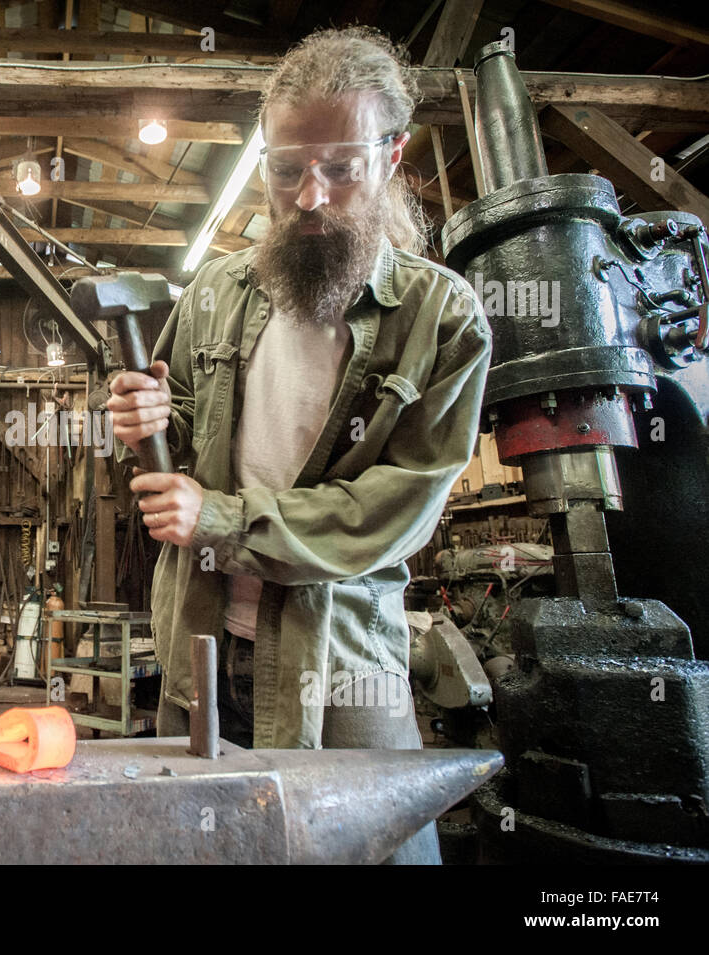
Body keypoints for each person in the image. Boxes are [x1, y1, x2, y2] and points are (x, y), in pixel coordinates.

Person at [108, 27, 491, 864]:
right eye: (286, 170)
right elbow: (169, 428)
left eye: (340, 169)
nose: (309, 196)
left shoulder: (442, 317)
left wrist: (222, 517)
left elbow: (397, 507)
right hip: (198, 646)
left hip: (344, 661)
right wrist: (142, 425)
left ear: (390, 157)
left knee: (371, 847)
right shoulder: (216, 289)